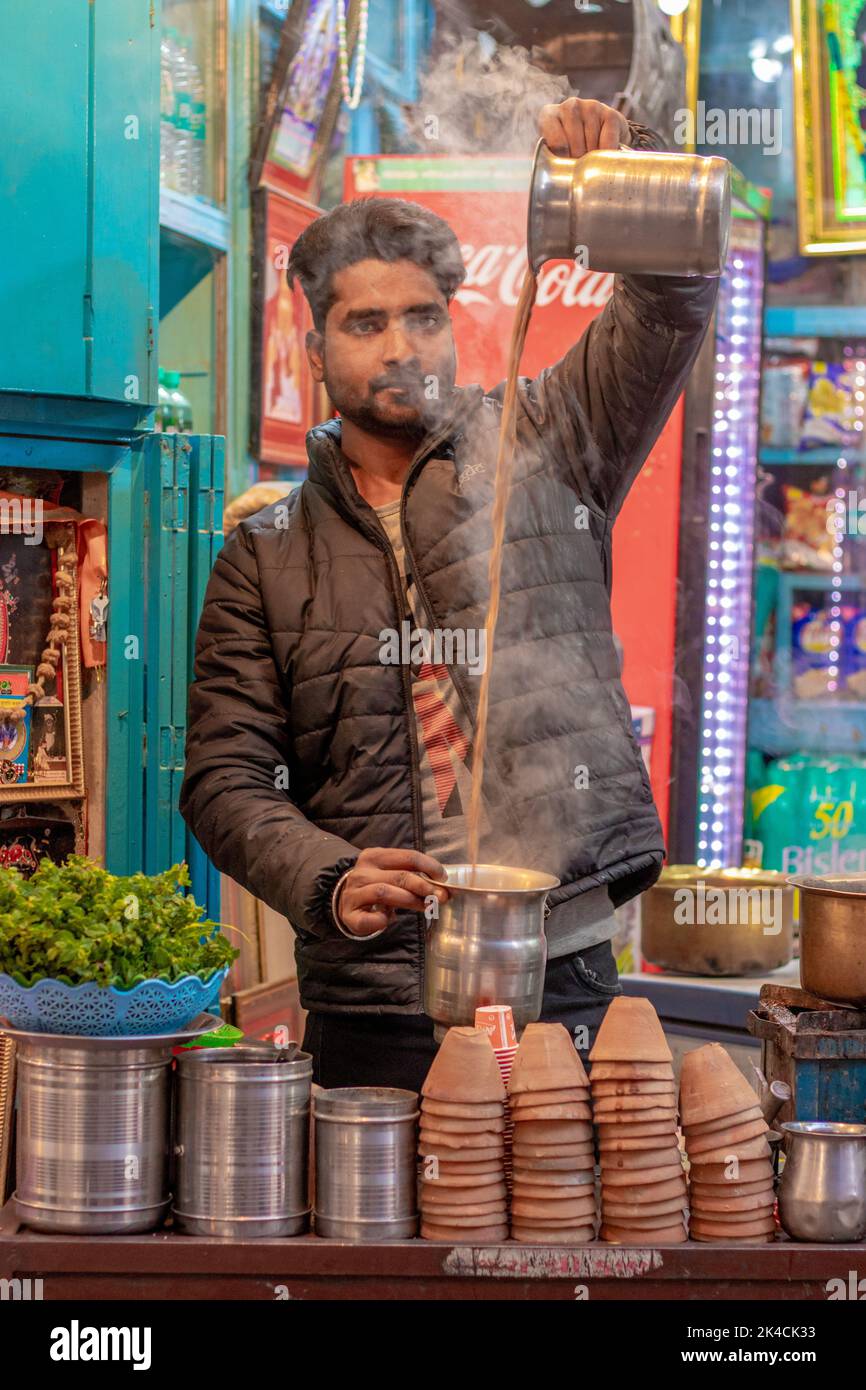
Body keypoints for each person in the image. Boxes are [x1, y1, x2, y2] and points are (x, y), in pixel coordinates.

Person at [181, 97, 719, 1089]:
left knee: (565, 1227)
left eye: (422, 315)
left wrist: (623, 162)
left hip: (558, 963)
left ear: (453, 325)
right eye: (364, 321)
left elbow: (670, 298)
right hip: (369, 992)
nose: (399, 346)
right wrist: (330, 878)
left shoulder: (550, 440)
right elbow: (223, 779)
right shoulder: (263, 553)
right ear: (313, 353)